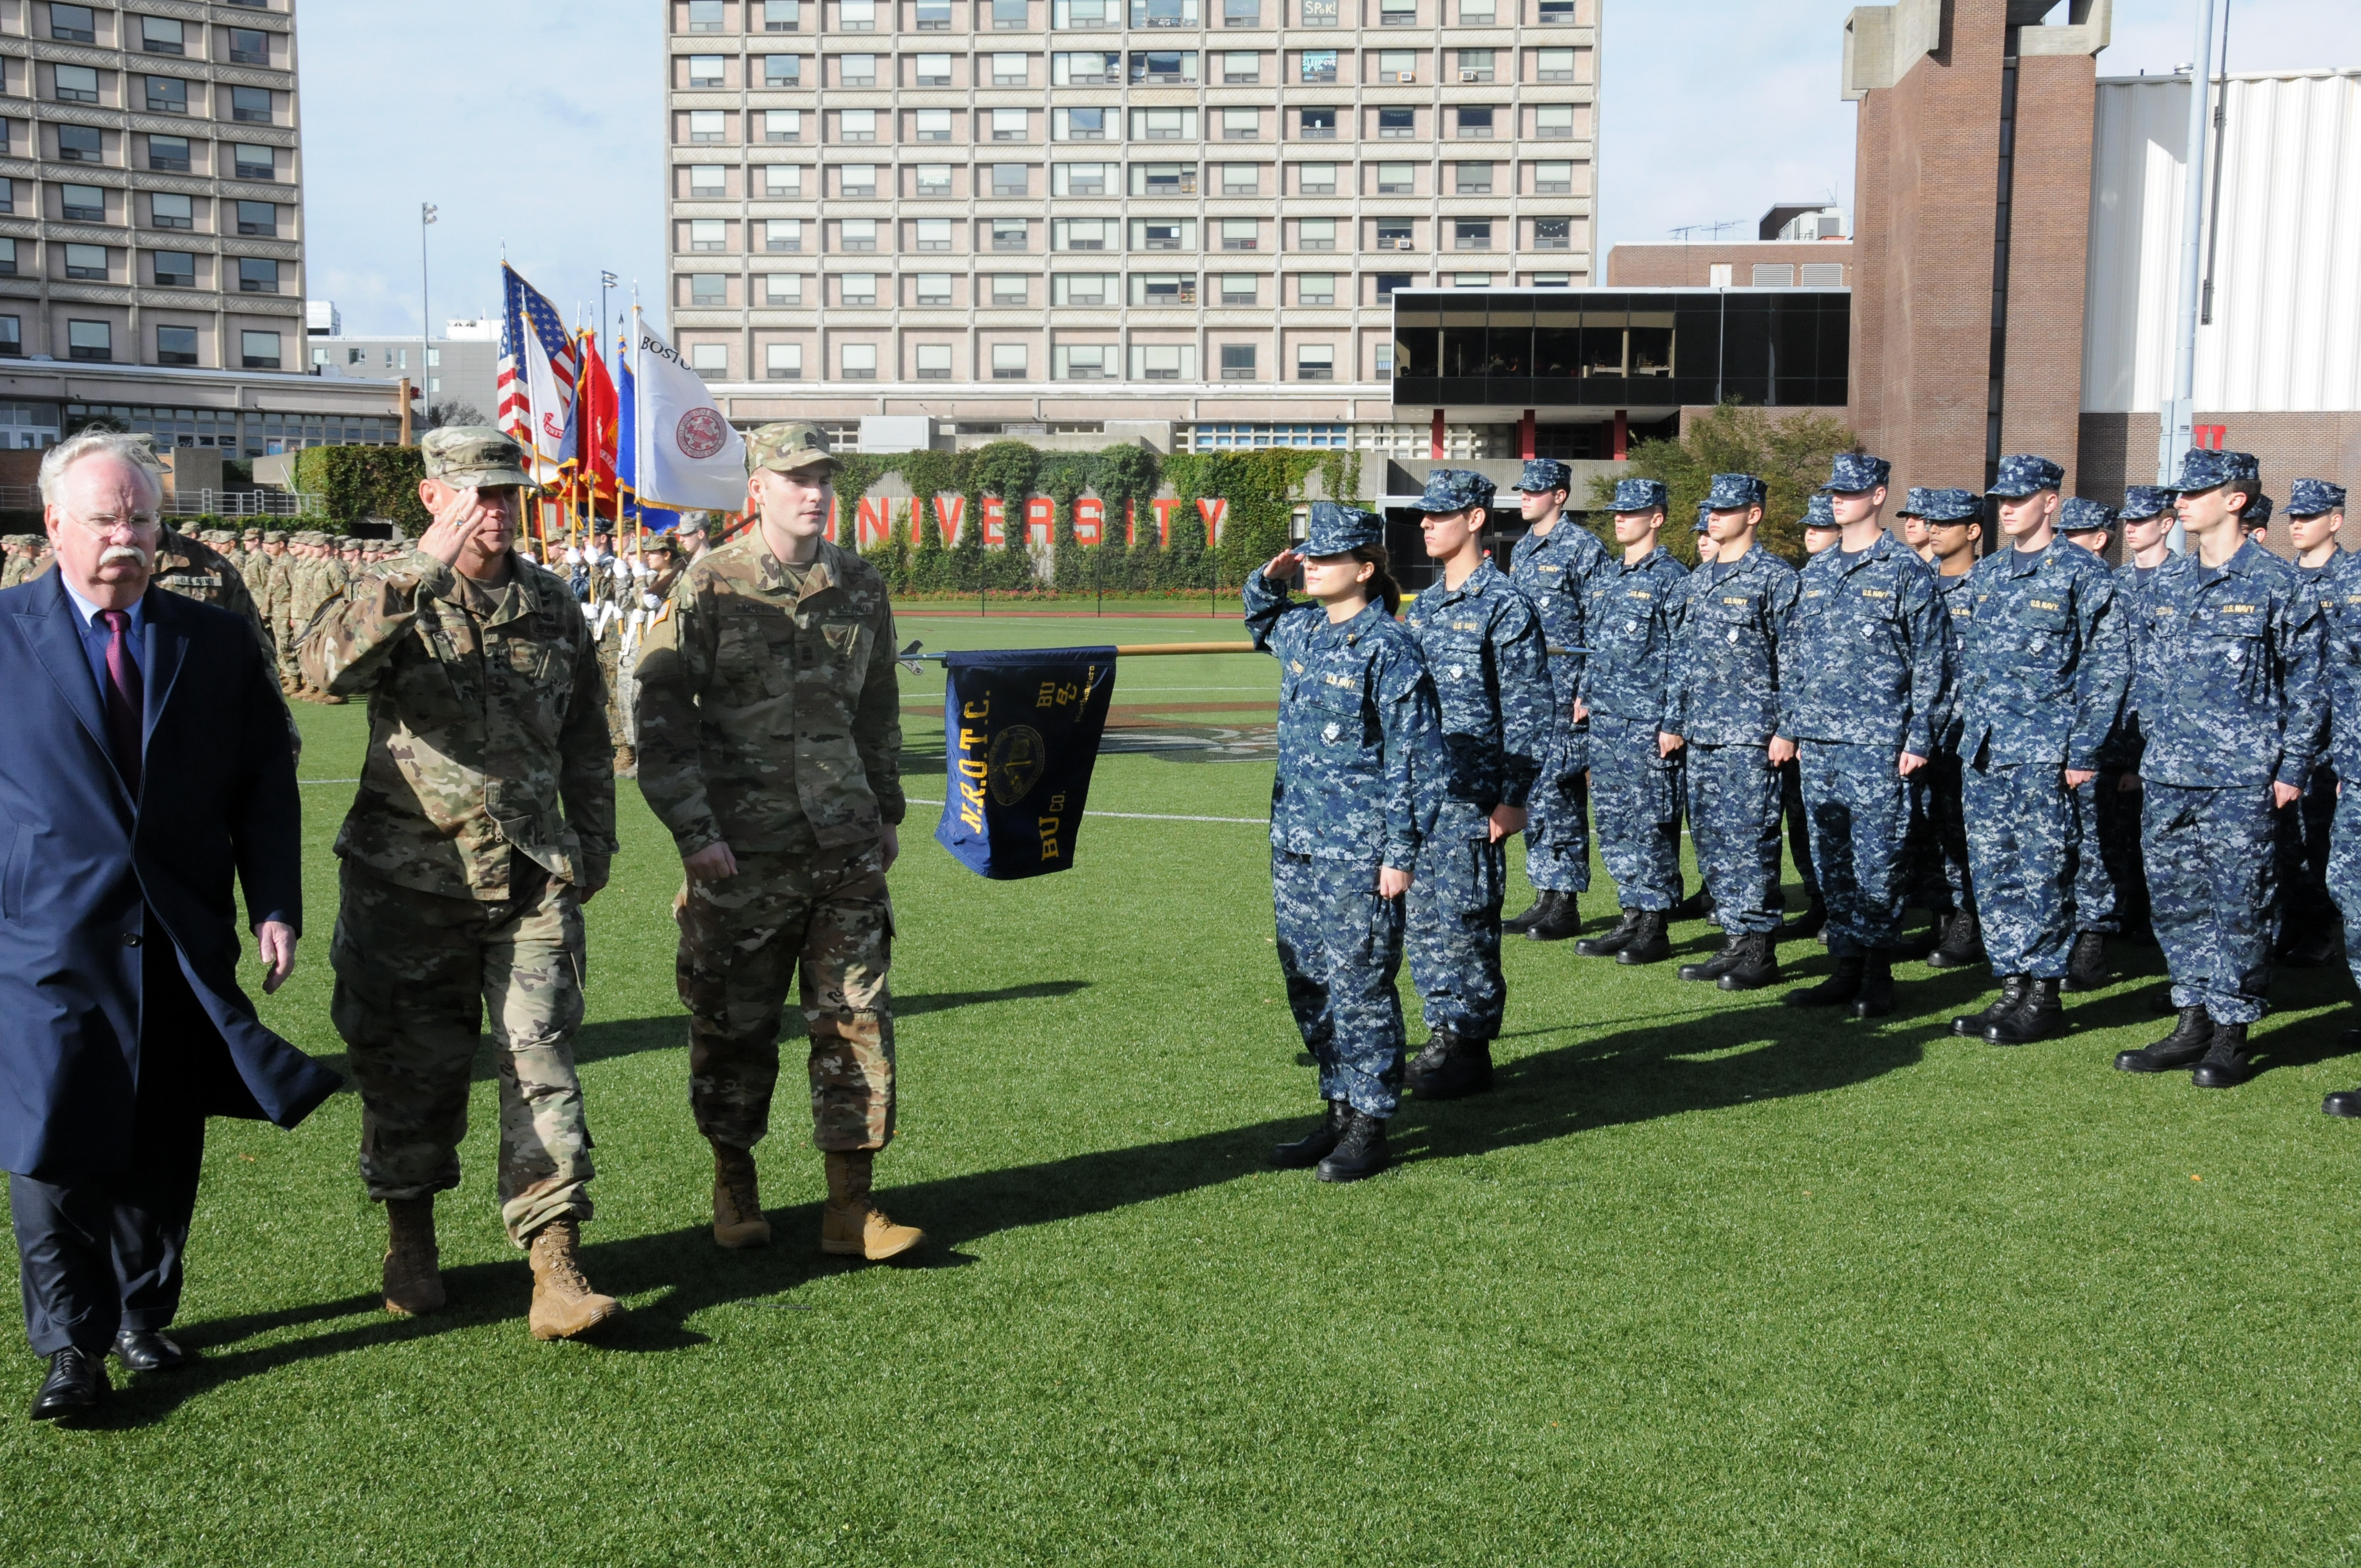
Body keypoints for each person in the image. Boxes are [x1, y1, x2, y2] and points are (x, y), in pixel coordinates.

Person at [0, 432, 338, 1421]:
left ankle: (144, 1313)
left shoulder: (213, 642)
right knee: (52, 1138)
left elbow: (263, 786)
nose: (127, 538)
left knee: (160, 1135)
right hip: (42, 940)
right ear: (53, 524)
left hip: (180, 936)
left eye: (142, 518)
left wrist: (273, 900)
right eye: (105, 519)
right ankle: (72, 1344)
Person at [301, 428, 623, 1341]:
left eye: (507, 495)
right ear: (435, 495)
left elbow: (587, 737)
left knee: (543, 1062)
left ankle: (554, 1262)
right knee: (412, 1072)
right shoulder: (393, 590)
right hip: (409, 879)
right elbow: (322, 671)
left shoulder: (551, 603)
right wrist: (409, 573)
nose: (495, 511)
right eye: (476, 494)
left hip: (529, 877)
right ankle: (412, 1238)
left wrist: (591, 843)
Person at [634, 423, 923, 1255]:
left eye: (825, 478)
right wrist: (694, 833)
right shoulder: (711, 583)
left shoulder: (860, 585)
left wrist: (888, 811)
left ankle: (850, 1208)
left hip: (844, 846)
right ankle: (734, 1180)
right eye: (796, 478)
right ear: (756, 488)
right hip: (742, 850)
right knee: (734, 1024)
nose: (815, 492)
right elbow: (660, 714)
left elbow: (877, 709)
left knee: (856, 1018)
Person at [2112, 450, 2324, 1087]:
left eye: (2197, 491)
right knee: (2177, 901)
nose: (2181, 501)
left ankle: (2232, 1030)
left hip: (2240, 776)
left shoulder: (2275, 583)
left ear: (2235, 500)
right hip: (2170, 772)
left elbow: (2307, 687)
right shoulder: (2166, 584)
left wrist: (2291, 766)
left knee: (2241, 902)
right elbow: (2143, 677)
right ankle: (2192, 1017)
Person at [1245, 503, 1438, 1182]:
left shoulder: (1390, 647)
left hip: (1359, 848)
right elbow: (1261, 620)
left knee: (1360, 981)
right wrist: (1266, 580)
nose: (1312, 567)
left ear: (1364, 569)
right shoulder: (1305, 632)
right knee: (1309, 979)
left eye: (1326, 559)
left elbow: (1414, 760)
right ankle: (1334, 1107)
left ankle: (1370, 1120)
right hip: (1297, 840)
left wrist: (1399, 853)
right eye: (1308, 557)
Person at [1949, 455, 2130, 1046]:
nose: (2005, 509)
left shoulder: (2081, 573)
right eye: (2000, 499)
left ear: (2049, 502)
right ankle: (2011, 985)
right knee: (1994, 871)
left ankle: (2045, 993)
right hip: (1986, 749)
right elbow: (1967, 662)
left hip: (2044, 751)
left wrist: (2083, 750)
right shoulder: (1990, 573)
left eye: (2018, 499)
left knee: (2042, 871)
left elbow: (2106, 670)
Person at [1774, 454, 1948, 1019]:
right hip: (1821, 742)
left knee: (1880, 858)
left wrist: (1919, 736)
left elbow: (1933, 661)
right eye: (1833, 492)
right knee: (1831, 858)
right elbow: (1794, 659)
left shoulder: (1903, 569)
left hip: (1879, 744)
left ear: (1878, 496)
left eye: (1849, 492)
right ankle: (1844, 967)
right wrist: (1790, 727)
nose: (1837, 500)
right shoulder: (1816, 573)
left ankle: (1877, 973)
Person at [1399, 470, 1548, 1101]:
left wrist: (1514, 797)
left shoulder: (1505, 604)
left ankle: (1471, 1046)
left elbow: (1528, 707)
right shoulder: (1426, 605)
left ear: (1476, 519)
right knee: (1424, 924)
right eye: (1424, 516)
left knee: (1467, 925)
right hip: (1427, 795)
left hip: (1477, 799)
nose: (1427, 524)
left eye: (1440, 514)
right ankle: (1441, 1033)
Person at [1664, 473, 1798, 991]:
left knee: (1751, 840)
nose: (1713, 516)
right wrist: (1673, 722)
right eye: (1710, 509)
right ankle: (1735, 940)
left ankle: (1760, 948)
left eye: (1726, 509)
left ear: (1754, 514)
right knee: (1712, 839)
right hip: (1702, 734)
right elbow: (1682, 660)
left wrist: (1787, 729)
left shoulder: (1775, 579)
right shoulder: (1697, 582)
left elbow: (1794, 662)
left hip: (1751, 735)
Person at [1570, 479, 1689, 965]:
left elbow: (1684, 655)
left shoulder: (1674, 579)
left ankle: (1655, 924)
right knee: (1615, 821)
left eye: (1632, 512)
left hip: (1649, 722)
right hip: (1607, 720)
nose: (1620, 518)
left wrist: (1674, 720)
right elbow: (1594, 647)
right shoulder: (1606, 579)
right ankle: (1630, 914)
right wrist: (1584, 694)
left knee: (1652, 821)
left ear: (1656, 519)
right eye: (1617, 511)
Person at [1502, 459, 1605, 943]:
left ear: (1560, 496)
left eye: (1535, 491)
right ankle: (1543, 892)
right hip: (1528, 690)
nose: (1525, 497)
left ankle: (1565, 902)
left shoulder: (1583, 548)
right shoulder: (1523, 549)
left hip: (1567, 691)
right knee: (1536, 791)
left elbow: (1599, 624)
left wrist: (1588, 688)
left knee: (1562, 792)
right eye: (1523, 491)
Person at [2053, 498, 2134, 991]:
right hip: (2059, 736)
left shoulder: (2109, 588)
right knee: (2063, 844)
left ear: (2099, 539)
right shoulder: (2059, 583)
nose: (2062, 542)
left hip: (2100, 740)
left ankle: (2093, 939)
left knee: (2098, 844)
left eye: (2073, 533)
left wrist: (2121, 754)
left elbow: (2121, 679)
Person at [2276, 481, 2353, 968]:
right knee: (2288, 838)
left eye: (2309, 516)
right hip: (2287, 730)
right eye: (2293, 517)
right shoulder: (2281, 580)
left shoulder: (2352, 579)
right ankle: (2295, 922)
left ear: (2336, 521)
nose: (2297, 525)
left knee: (2324, 838)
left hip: (2338, 736)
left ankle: (2325, 929)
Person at [1912, 488, 1987, 970]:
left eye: (1946, 522)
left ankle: (1970, 921)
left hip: (1966, 735)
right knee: (1926, 830)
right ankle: (1940, 916)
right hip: (1923, 732)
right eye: (1931, 522)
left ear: (1973, 531)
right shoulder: (1919, 585)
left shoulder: (1989, 587)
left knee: (1965, 835)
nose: (1934, 529)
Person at [1781, 495, 1844, 940]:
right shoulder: (1806, 582)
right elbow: (1793, 661)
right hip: (1808, 728)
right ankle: (1820, 901)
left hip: (1856, 733)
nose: (1810, 534)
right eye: (1809, 527)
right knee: (1807, 824)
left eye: (1820, 528)